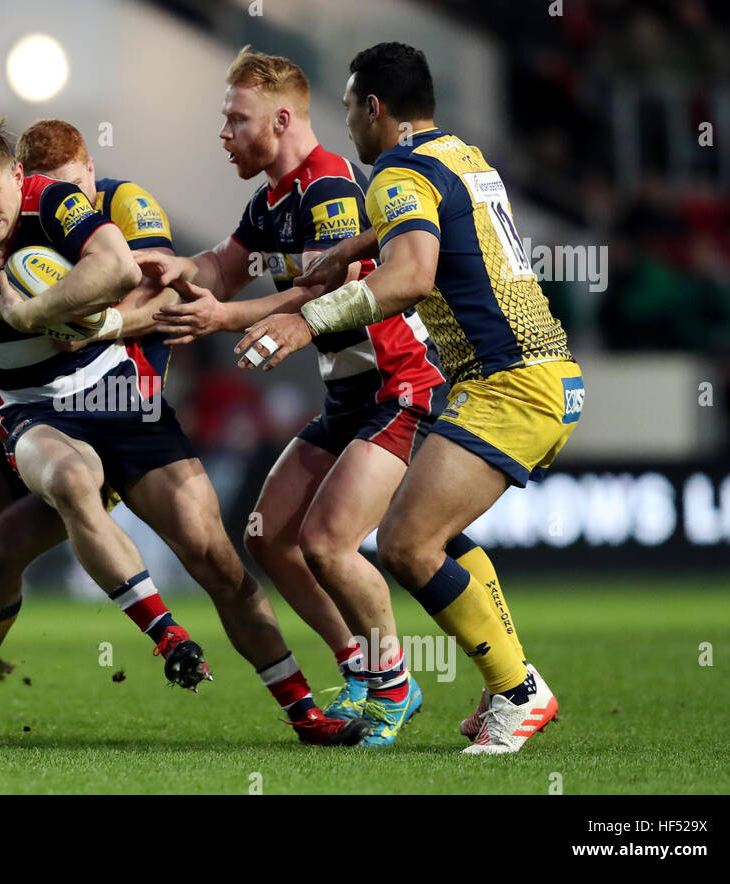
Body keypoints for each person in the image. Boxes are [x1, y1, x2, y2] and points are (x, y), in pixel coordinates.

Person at [0, 113, 360, 747]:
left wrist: (34, 311)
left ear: (17, 176)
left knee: (215, 560)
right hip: (34, 411)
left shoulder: (68, 204)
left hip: (126, 401)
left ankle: (308, 711)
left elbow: (123, 273)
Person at [239, 42, 581, 754]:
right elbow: (438, 223)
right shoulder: (462, 155)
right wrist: (350, 247)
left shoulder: (395, 169)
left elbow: (413, 276)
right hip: (541, 375)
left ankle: (520, 691)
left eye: (349, 110)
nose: (349, 128)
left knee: (403, 544)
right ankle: (502, 685)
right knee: (440, 536)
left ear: (374, 108)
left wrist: (308, 319)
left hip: (508, 384)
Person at [138, 47, 449, 746]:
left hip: (397, 383)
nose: (223, 133)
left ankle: (395, 686)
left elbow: (328, 291)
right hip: (347, 395)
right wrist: (173, 267)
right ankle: (361, 669)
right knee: (269, 539)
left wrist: (227, 317)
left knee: (327, 544)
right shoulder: (273, 200)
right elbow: (224, 265)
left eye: (235, 119)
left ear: (281, 119)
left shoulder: (330, 186)